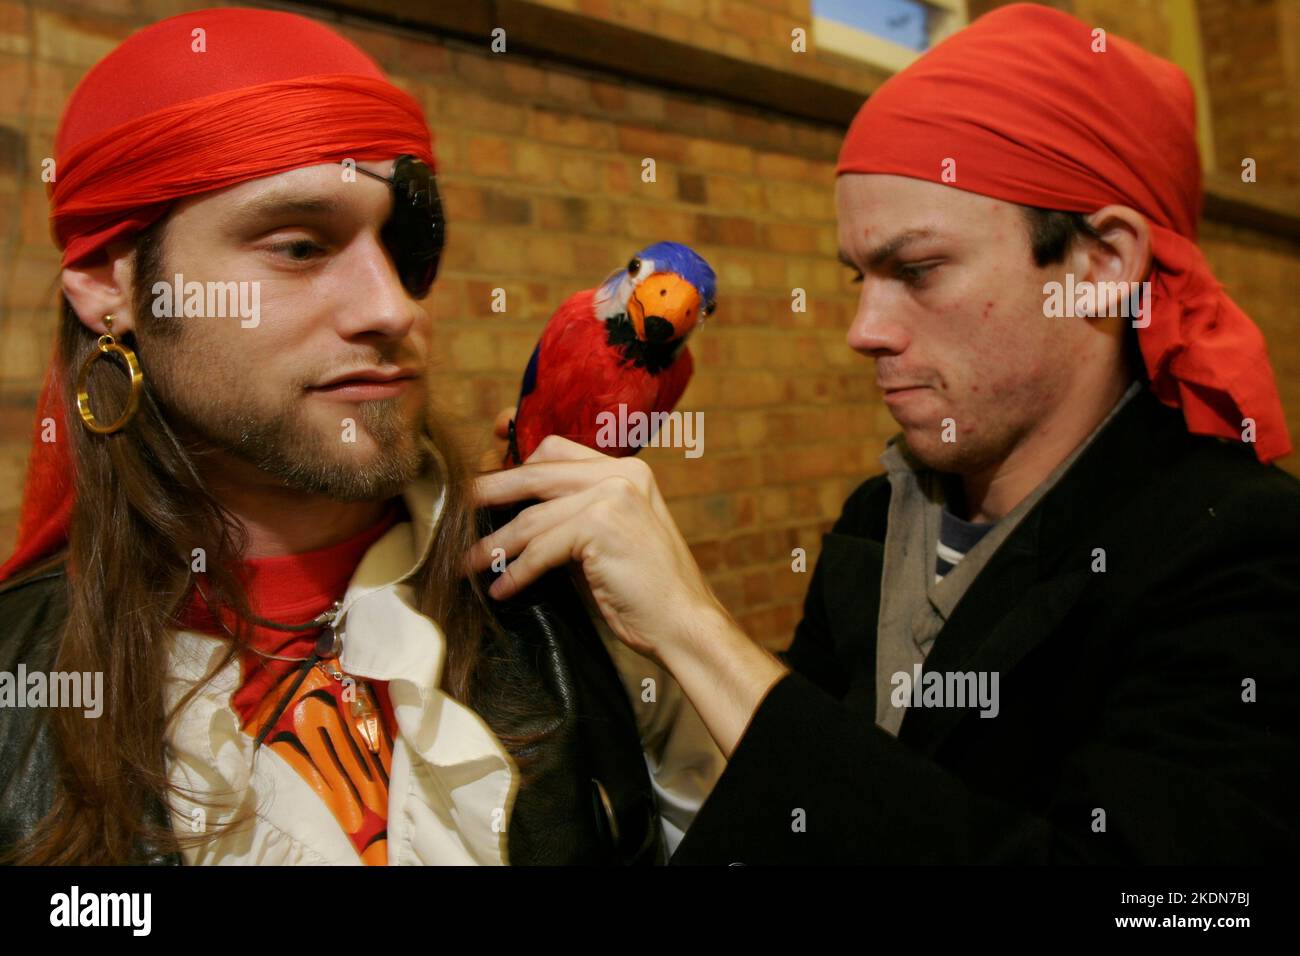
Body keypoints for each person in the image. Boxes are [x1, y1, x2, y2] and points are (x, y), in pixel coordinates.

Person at [472, 3, 1300, 863]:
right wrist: (617, 620)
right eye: (860, 276)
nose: (864, 329)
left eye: (916, 270)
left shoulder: (1240, 555)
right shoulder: (883, 515)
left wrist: (694, 626)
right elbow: (793, 804)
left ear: (1100, 266)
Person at [0, 7, 721, 866]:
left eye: (405, 247)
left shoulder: (565, 599)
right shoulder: (26, 690)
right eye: (301, 247)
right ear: (108, 287)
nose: (392, 309)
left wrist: (693, 631)